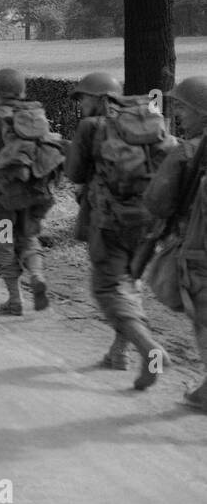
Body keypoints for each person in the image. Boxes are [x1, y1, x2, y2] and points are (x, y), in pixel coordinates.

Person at [64, 71, 170, 388]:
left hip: (109, 221)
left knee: (107, 288)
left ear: (100, 98)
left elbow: (74, 173)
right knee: (128, 283)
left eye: (84, 97)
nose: (81, 104)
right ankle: (118, 353)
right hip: (147, 221)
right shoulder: (149, 122)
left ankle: (149, 349)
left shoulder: (91, 127)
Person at [0, 68, 62, 315]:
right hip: (34, 195)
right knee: (28, 238)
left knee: (5, 242)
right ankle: (37, 275)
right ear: (23, 90)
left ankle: (15, 299)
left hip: (4, 199)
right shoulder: (35, 116)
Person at [143, 76, 207, 409]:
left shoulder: (186, 152)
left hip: (197, 249)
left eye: (183, 107)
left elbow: (157, 202)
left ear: (202, 112)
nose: (178, 114)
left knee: (202, 316)